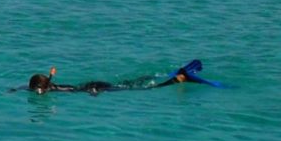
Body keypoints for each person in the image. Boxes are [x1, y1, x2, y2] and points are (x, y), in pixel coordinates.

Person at [18, 59, 224, 96]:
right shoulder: (44, 87)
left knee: (141, 89)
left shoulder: (46, 89)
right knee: (130, 84)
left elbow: (46, 89)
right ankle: (159, 75)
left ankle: (177, 79)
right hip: (93, 86)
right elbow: (37, 87)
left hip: (95, 88)